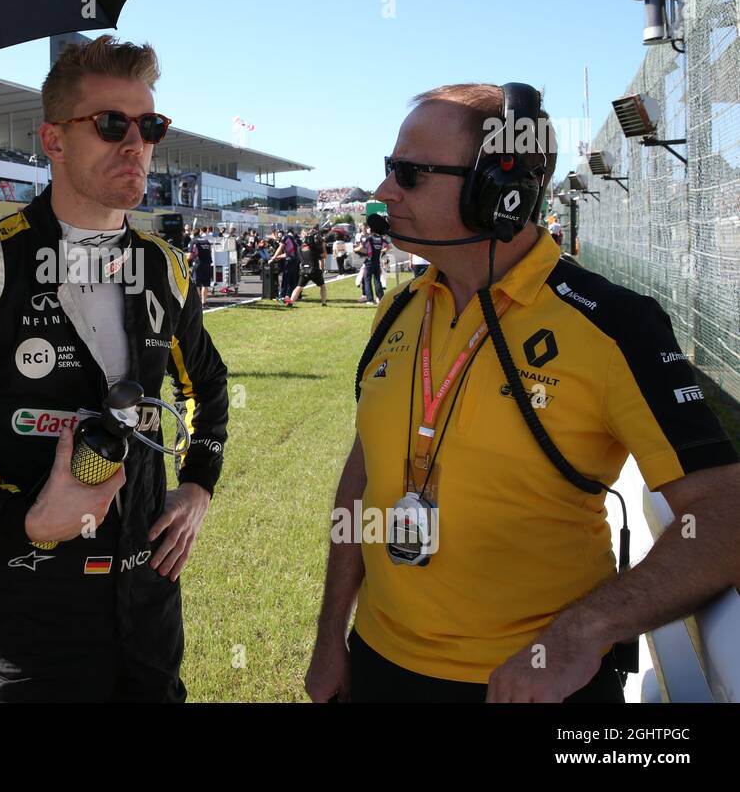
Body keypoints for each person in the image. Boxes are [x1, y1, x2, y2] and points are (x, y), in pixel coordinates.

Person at [305, 82, 740, 703]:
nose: (383, 193)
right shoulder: (397, 308)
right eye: (387, 169)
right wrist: (330, 639)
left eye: (408, 173)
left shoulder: (615, 325)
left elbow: (724, 515)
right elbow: (364, 475)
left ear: (497, 194)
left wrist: (576, 637)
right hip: (379, 665)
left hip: (529, 687)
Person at [0, 35, 229, 702]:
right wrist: (21, 523)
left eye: (150, 126)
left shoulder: (164, 266)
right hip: (28, 616)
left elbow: (207, 384)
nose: (136, 145)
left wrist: (200, 481)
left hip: (147, 605)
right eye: (111, 124)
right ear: (54, 141)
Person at [289, 225, 328, 307]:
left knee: (298, 287)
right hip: (314, 270)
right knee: (322, 286)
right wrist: (323, 246)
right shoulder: (314, 248)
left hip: (304, 270)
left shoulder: (300, 248)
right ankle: (324, 303)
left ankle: (291, 302)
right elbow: (323, 256)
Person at [358, 223, 388, 304]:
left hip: (369, 261)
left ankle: (370, 299)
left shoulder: (369, 239)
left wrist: (355, 250)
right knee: (377, 280)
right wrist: (381, 251)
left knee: (367, 280)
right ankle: (380, 298)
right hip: (377, 262)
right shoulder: (381, 239)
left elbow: (363, 249)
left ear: (371, 231)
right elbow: (388, 246)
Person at [270, 227, 299, 304]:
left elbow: (280, 248)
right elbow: (289, 253)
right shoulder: (295, 240)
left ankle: (282, 296)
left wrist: (274, 257)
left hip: (289, 262)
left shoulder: (286, 238)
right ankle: (291, 296)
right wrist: (278, 257)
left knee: (285, 280)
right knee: (292, 281)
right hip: (296, 262)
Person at [189, 226, 213, 305]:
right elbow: (210, 251)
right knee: (205, 284)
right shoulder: (207, 241)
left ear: (192, 234)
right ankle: (204, 302)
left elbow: (190, 255)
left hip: (198, 264)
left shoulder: (194, 241)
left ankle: (197, 303)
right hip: (208, 264)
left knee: (197, 284)